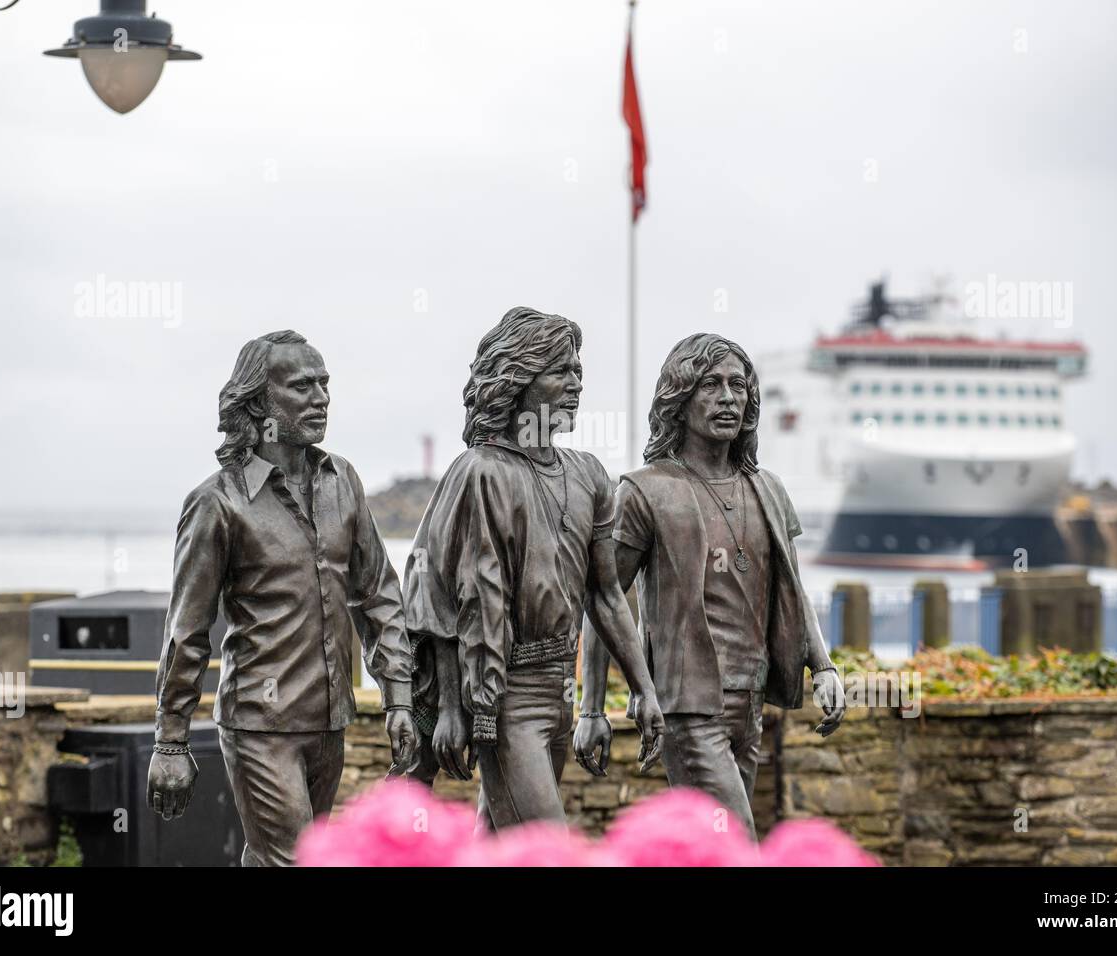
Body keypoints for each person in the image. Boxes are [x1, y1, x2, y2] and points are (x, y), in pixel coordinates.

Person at [147, 330, 418, 866]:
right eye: (302, 387)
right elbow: (187, 629)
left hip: (330, 720)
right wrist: (171, 741)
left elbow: (378, 596)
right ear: (259, 401)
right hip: (260, 724)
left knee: (274, 858)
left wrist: (400, 695)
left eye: (324, 385)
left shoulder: (343, 480)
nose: (320, 398)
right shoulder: (217, 502)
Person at [403, 306, 665, 828]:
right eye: (560, 372)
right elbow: (437, 600)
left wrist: (643, 688)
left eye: (578, 372)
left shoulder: (589, 474)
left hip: (557, 693)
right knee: (545, 846)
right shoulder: (480, 472)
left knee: (500, 844)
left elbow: (607, 596)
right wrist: (454, 708)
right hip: (503, 697)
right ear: (518, 382)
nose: (575, 385)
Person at [576, 332, 845, 836]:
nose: (728, 397)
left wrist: (823, 665)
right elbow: (603, 598)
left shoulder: (767, 488)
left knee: (716, 847)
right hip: (688, 701)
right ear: (680, 399)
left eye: (738, 386)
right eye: (711, 385)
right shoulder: (644, 491)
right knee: (735, 840)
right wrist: (592, 709)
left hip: (752, 696)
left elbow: (792, 590)